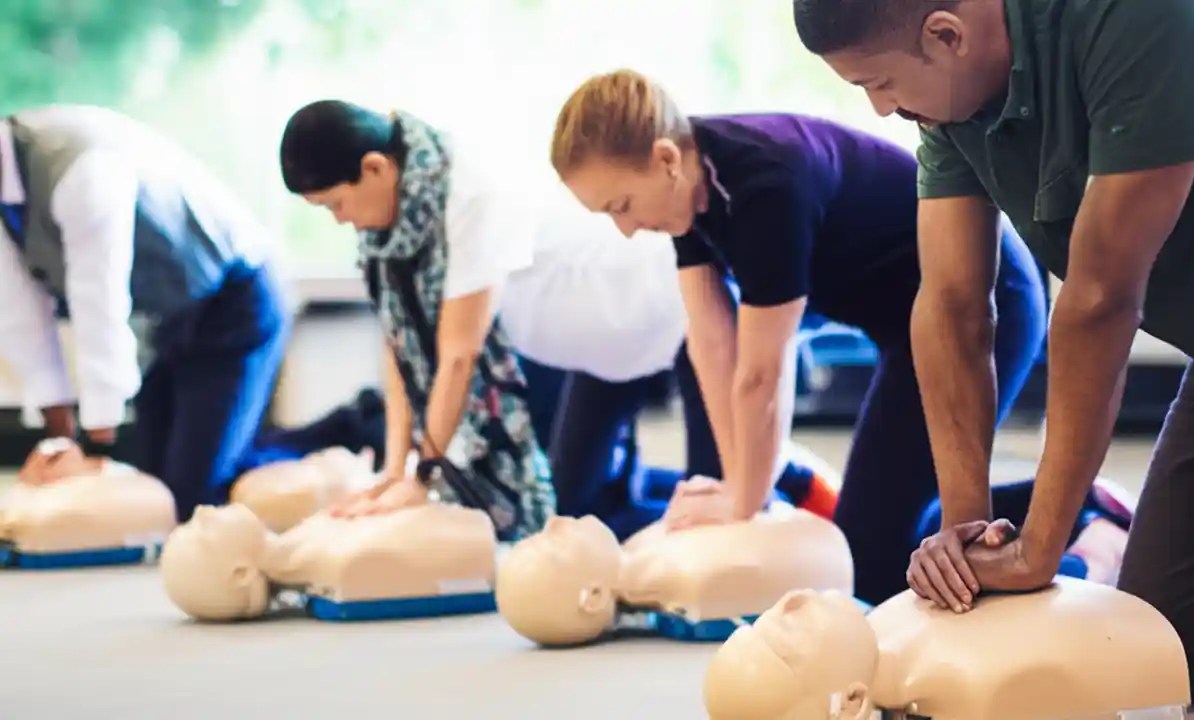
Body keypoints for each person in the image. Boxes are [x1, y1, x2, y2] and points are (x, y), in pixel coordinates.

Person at [792, 0, 1194, 701]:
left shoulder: (1139, 16)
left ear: (946, 35)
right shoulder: (949, 109)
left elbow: (1102, 297)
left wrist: (1040, 547)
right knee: (1173, 646)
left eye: (879, 83)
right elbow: (954, 307)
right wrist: (968, 538)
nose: (878, 109)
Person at [548, 69, 1131, 606]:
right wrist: (736, 489)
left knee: (874, 569)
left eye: (622, 206)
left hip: (987, 305)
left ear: (666, 158)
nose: (625, 230)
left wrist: (746, 501)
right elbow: (711, 345)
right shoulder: (691, 194)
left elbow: (761, 375)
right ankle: (818, 489)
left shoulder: (762, 185)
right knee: (880, 539)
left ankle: (1089, 529)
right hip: (908, 330)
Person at [277, 99, 555, 541]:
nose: (339, 220)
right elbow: (399, 345)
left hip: (535, 353)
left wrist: (423, 476)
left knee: (562, 509)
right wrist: (394, 471)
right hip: (475, 353)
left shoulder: (469, 192)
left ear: (374, 169)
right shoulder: (385, 230)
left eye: (336, 204)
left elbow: (460, 354)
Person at [0, 105, 289, 522]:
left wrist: (95, 455)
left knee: (188, 498)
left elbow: (99, 309)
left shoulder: (81, 166)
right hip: (174, 318)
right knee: (150, 477)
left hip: (237, 298)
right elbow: (20, 319)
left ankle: (349, 431)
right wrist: (62, 444)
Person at [500, 186, 840, 540]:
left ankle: (791, 478)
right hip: (603, 337)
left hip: (678, 304)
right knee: (576, 507)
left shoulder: (473, 241)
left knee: (719, 499)